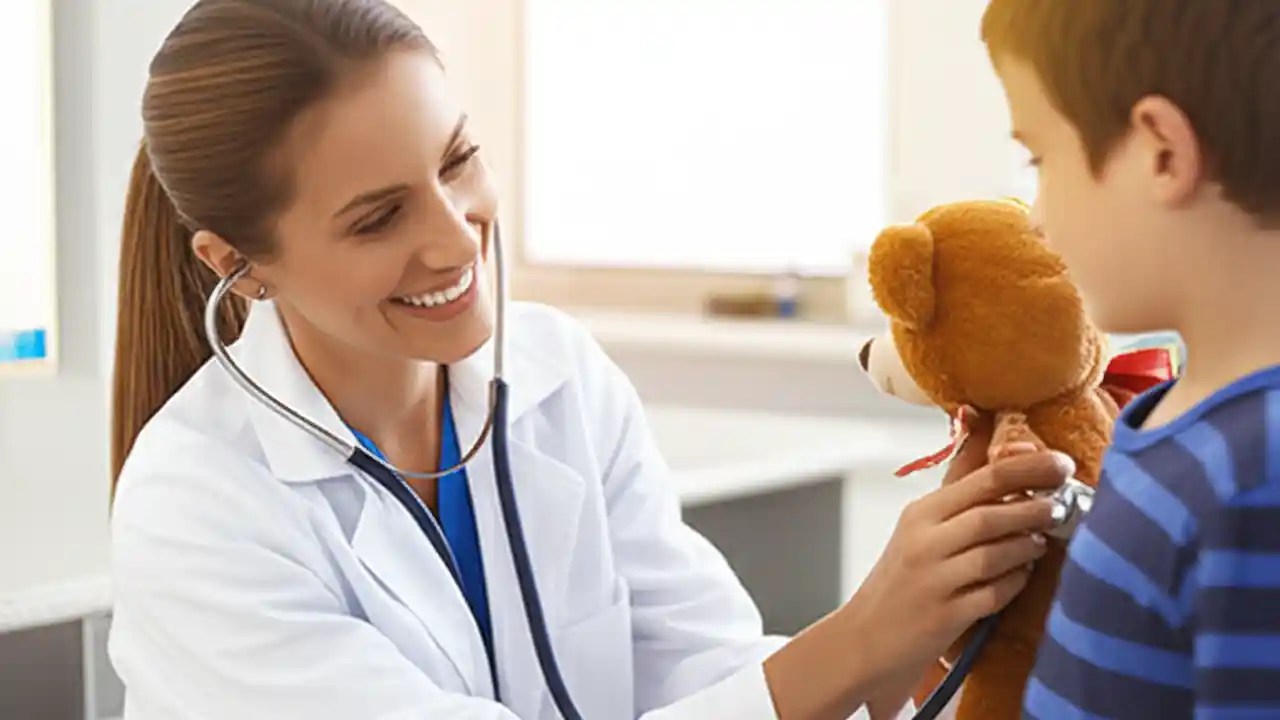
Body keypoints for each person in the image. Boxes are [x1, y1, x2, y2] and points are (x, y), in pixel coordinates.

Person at [106, 2, 1070, 718]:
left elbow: (715, 674)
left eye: (458, 161)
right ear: (241, 266)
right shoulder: (197, 504)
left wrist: (937, 613)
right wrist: (864, 636)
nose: (457, 239)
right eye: (378, 217)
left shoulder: (555, 375)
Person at [982, 1, 1280, 717]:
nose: (1036, 216)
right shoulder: (1196, 422)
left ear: (1162, 153)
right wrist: (1067, 516)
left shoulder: (1256, 479)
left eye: (1040, 159)